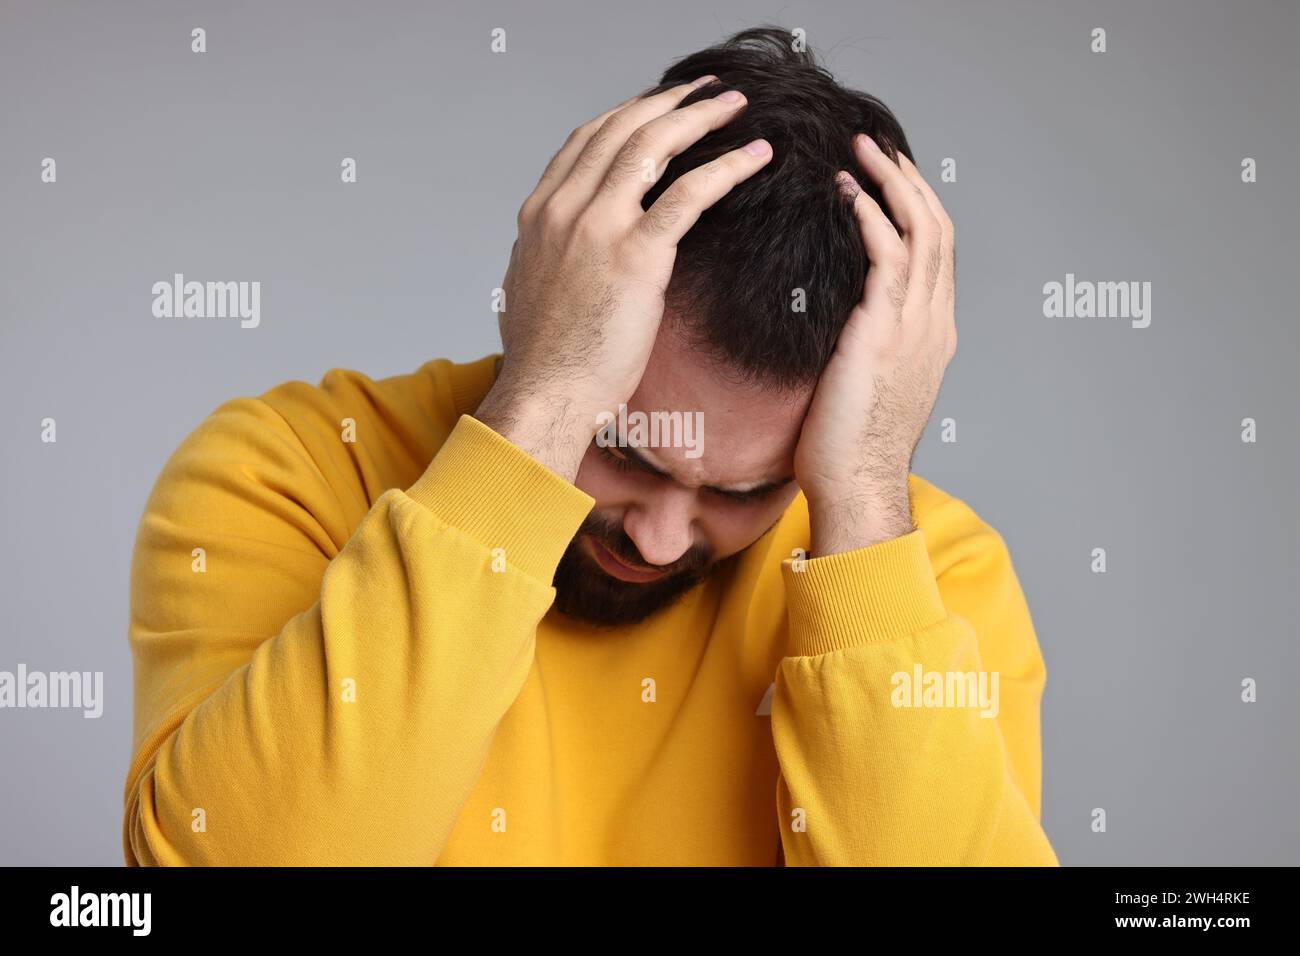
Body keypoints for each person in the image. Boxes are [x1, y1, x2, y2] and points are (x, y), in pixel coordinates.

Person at [124, 26, 1058, 866]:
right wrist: (546, 403)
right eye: (621, 447)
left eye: (745, 494)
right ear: (549, 292)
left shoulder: (925, 576)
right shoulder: (288, 472)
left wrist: (858, 496)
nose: (656, 541)